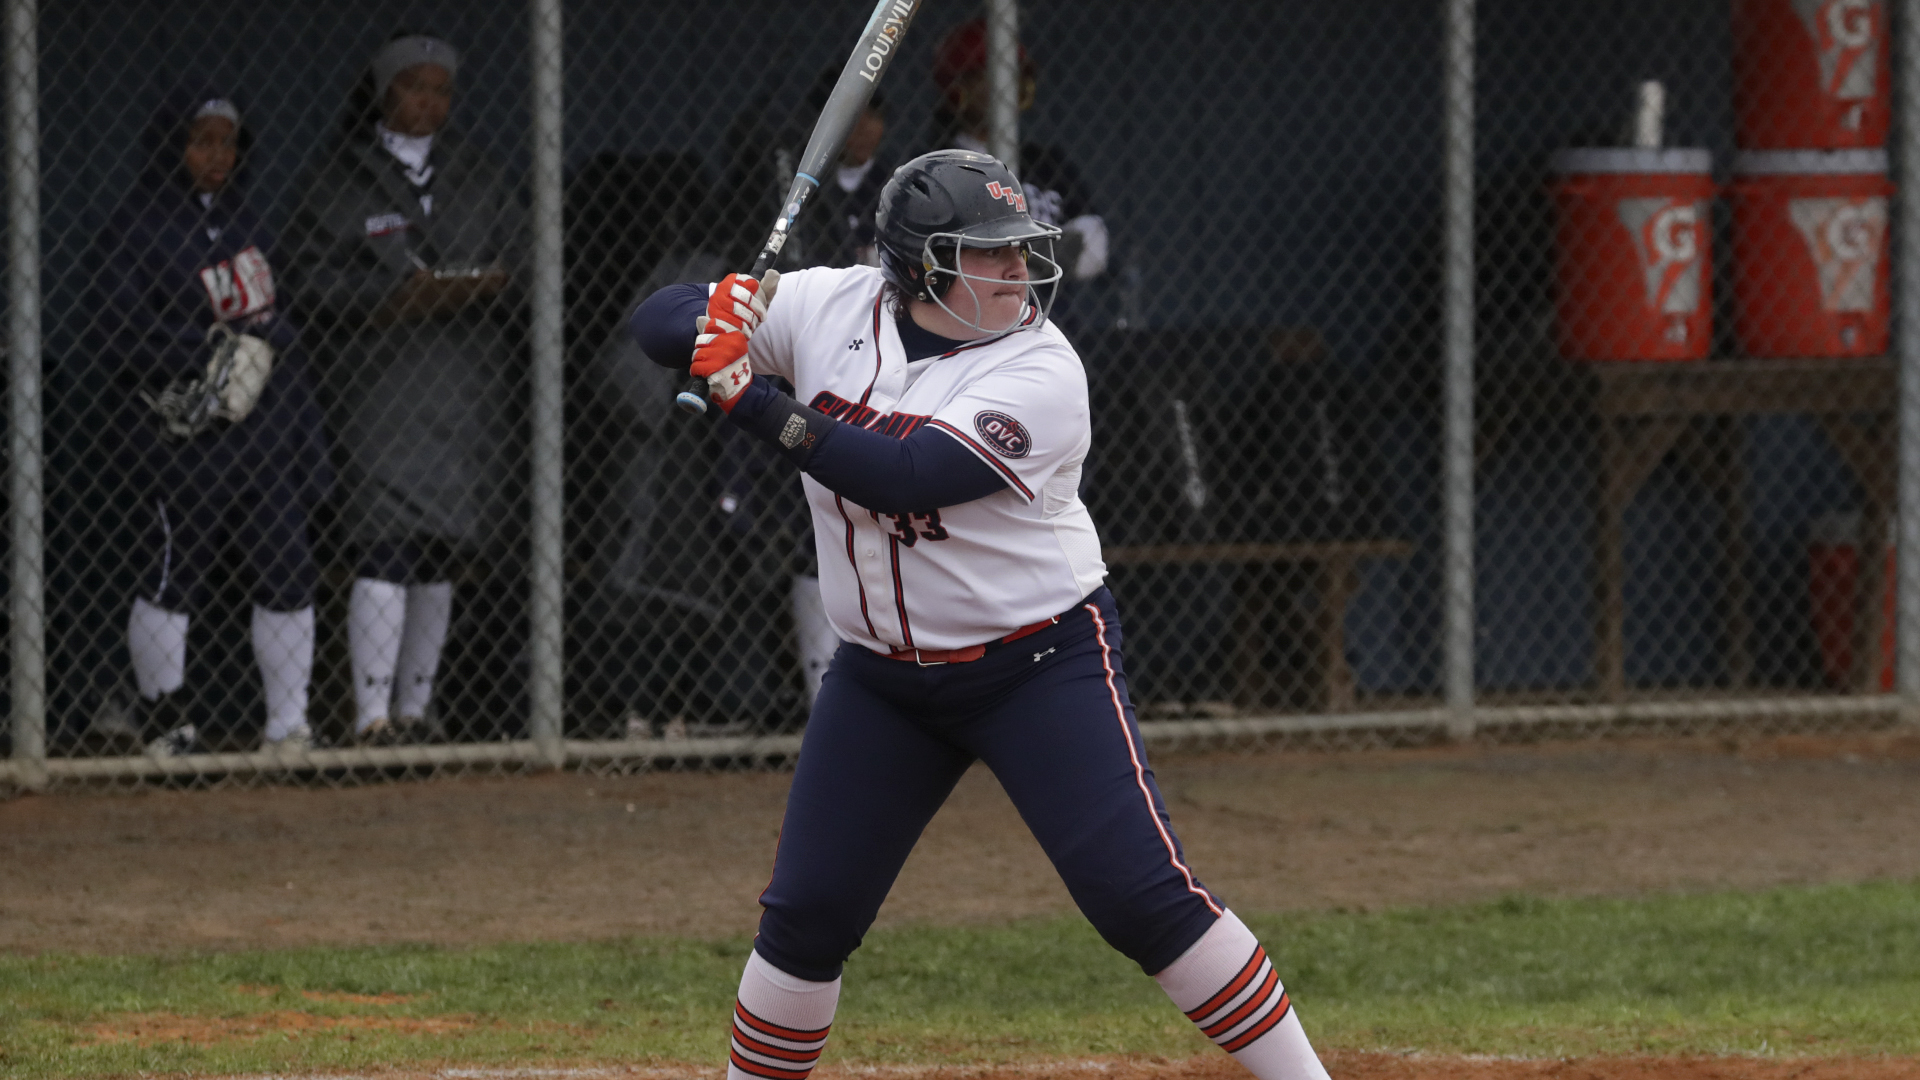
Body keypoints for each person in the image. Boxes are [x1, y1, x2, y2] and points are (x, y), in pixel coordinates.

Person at [628, 150, 1331, 1080]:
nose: (1018, 273)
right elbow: (653, 319)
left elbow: (903, 477)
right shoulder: (831, 305)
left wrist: (750, 398)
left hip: (1035, 666)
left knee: (1139, 898)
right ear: (920, 267)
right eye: (988, 255)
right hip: (880, 680)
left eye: (1023, 252)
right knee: (807, 915)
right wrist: (715, 320)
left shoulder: (1042, 368)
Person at [285, 33, 522, 745]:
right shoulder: (338, 179)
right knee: (382, 541)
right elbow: (303, 277)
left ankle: (418, 712)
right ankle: (372, 716)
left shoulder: (480, 176)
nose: (428, 102)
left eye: (440, 90)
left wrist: (484, 284)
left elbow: (529, 260)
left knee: (440, 548)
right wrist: (382, 298)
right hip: (377, 387)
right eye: (413, 88)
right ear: (383, 95)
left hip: (463, 386)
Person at [85, 90, 332, 757]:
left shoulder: (250, 224)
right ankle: (170, 724)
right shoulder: (135, 229)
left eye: (228, 141)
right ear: (173, 145)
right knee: (174, 575)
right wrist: (207, 348)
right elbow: (116, 332)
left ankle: (288, 730)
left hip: (262, 438)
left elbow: (280, 328)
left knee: (287, 568)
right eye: (202, 140)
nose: (218, 155)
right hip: (184, 440)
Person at [929, 20, 1109, 325]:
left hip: (1051, 321)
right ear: (960, 87)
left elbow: (1096, 246)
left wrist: (1008, 250)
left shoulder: (1046, 162)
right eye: (990, 75)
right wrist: (1048, 249)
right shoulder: (937, 166)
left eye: (1014, 74)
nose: (1007, 85)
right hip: (969, 325)